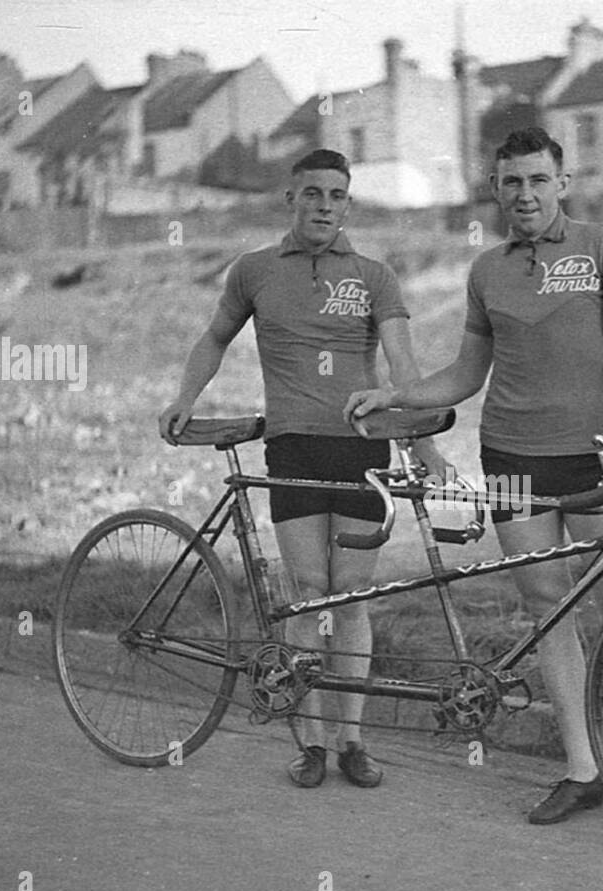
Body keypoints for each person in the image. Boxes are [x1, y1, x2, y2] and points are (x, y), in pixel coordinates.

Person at [345, 127, 603, 838]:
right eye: (510, 182)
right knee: (549, 610)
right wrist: (396, 398)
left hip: (589, 459)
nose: (524, 194)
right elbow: (467, 375)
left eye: (537, 179)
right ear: (495, 190)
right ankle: (583, 772)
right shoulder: (487, 271)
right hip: (512, 461)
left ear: (562, 183)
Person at [160, 148, 443, 790]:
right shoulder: (254, 270)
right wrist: (184, 399)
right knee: (308, 594)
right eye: (311, 193)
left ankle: (353, 742)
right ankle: (310, 741)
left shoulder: (375, 276)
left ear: (348, 203)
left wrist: (424, 443)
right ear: (291, 199)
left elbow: (403, 364)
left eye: (336, 195)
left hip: (361, 448)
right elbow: (214, 338)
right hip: (292, 448)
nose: (323, 205)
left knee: (352, 598)